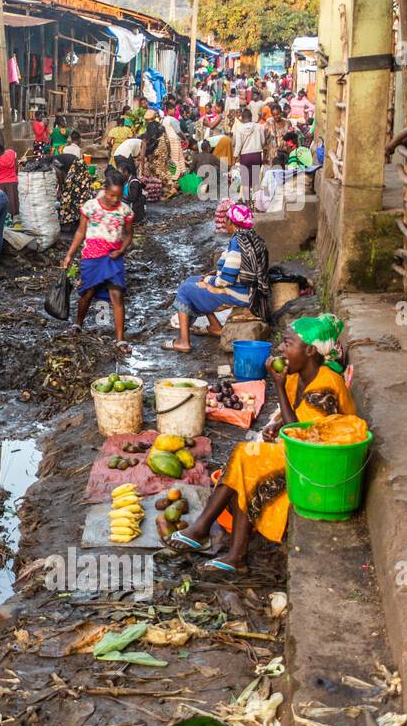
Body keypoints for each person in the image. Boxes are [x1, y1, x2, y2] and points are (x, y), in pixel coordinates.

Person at [169, 316, 357, 574]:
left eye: (288, 343)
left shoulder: (325, 386)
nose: (280, 348)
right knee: (246, 458)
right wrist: (274, 425)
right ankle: (231, 553)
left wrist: (278, 388)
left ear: (310, 350)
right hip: (303, 451)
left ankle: (209, 534)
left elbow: (300, 436)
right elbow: (292, 418)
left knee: (247, 458)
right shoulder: (298, 375)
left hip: (321, 466)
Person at [165, 204, 270, 352]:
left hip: (241, 294)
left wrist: (209, 281)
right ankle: (215, 326)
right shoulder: (252, 237)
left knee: (185, 290)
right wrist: (212, 274)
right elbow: (239, 268)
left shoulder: (237, 243)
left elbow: (226, 279)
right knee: (193, 281)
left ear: (231, 222)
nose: (225, 222)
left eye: (226, 219)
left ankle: (183, 341)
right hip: (249, 290)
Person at [61, 169, 133, 349]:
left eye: (118, 195)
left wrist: (122, 250)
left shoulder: (125, 211)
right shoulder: (91, 207)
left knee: (117, 295)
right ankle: (77, 324)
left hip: (113, 257)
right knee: (88, 293)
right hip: (91, 257)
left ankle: (120, 339)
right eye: (111, 195)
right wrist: (70, 254)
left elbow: (128, 235)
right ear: (104, 190)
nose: (115, 199)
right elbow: (80, 232)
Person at [232, 108, 266, 200]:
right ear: (251, 117)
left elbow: (238, 145)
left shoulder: (239, 128)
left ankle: (247, 202)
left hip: (245, 156)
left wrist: (234, 159)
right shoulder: (259, 126)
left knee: (246, 181)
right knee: (255, 179)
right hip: (256, 155)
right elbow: (263, 141)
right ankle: (255, 202)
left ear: (242, 118)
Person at [0, 139, 19, 216]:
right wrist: (14, 176)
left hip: (0, 184)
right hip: (13, 182)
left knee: (3, 204)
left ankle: (6, 221)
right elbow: (16, 167)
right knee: (14, 202)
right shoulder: (11, 153)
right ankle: (15, 219)